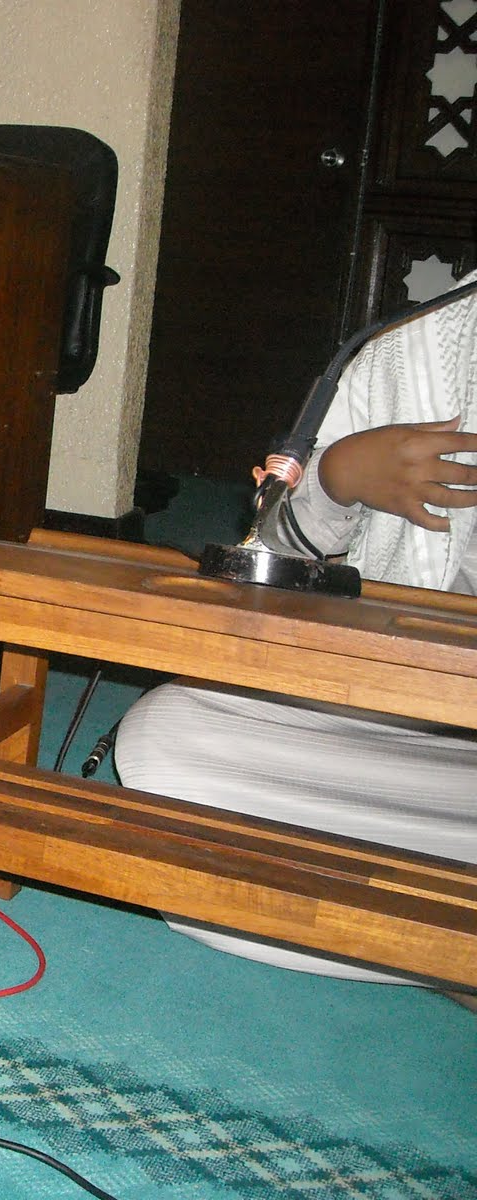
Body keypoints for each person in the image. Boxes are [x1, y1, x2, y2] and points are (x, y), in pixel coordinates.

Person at [116, 269, 477, 993]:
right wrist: (336, 481)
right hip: (400, 715)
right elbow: (273, 555)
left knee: (214, 872)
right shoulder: (410, 343)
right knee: (166, 738)